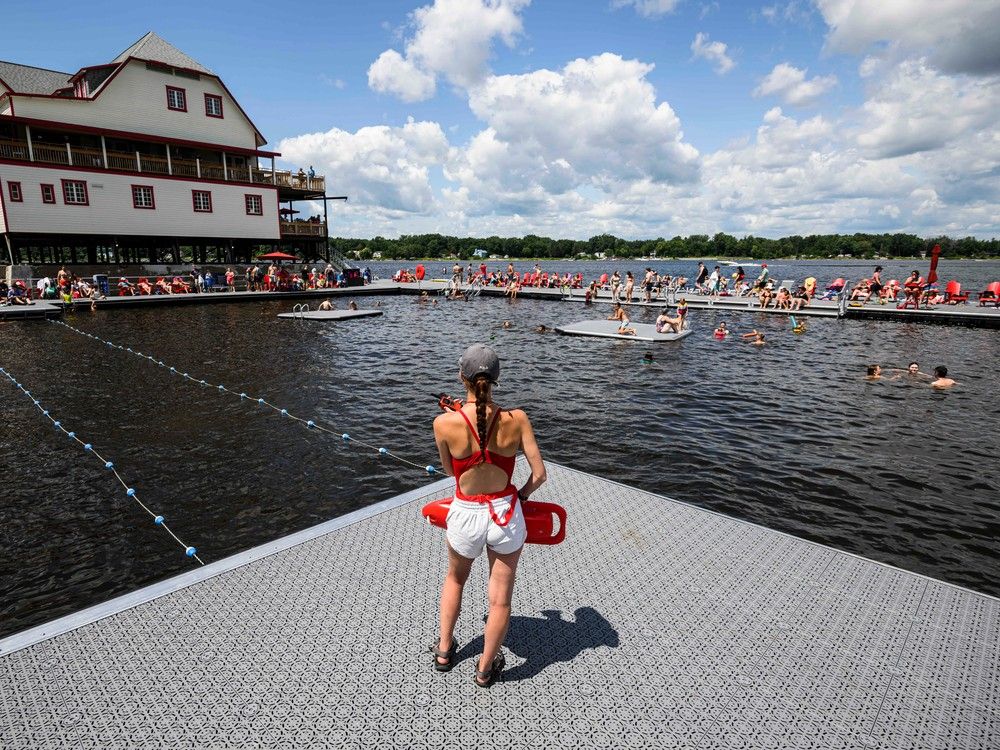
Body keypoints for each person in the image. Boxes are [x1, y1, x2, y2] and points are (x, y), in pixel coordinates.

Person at [431, 344, 546, 687]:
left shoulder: (443, 423)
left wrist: (458, 418)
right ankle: (484, 669)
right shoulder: (518, 419)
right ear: (496, 379)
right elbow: (539, 475)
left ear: (461, 377)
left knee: (455, 580)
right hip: (505, 515)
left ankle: (444, 650)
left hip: (465, 513)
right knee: (499, 601)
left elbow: (451, 470)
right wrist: (521, 496)